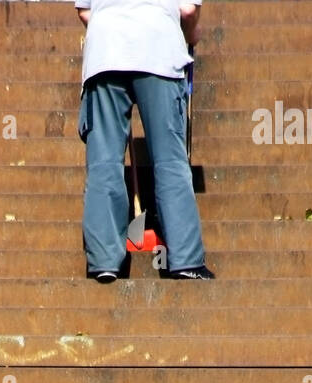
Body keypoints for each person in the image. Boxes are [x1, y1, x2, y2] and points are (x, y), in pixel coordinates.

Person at [75, 0, 214, 282]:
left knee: (104, 162)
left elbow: (85, 11)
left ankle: (103, 261)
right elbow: (187, 10)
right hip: (158, 49)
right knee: (169, 160)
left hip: (106, 51)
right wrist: (190, 34)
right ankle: (185, 260)